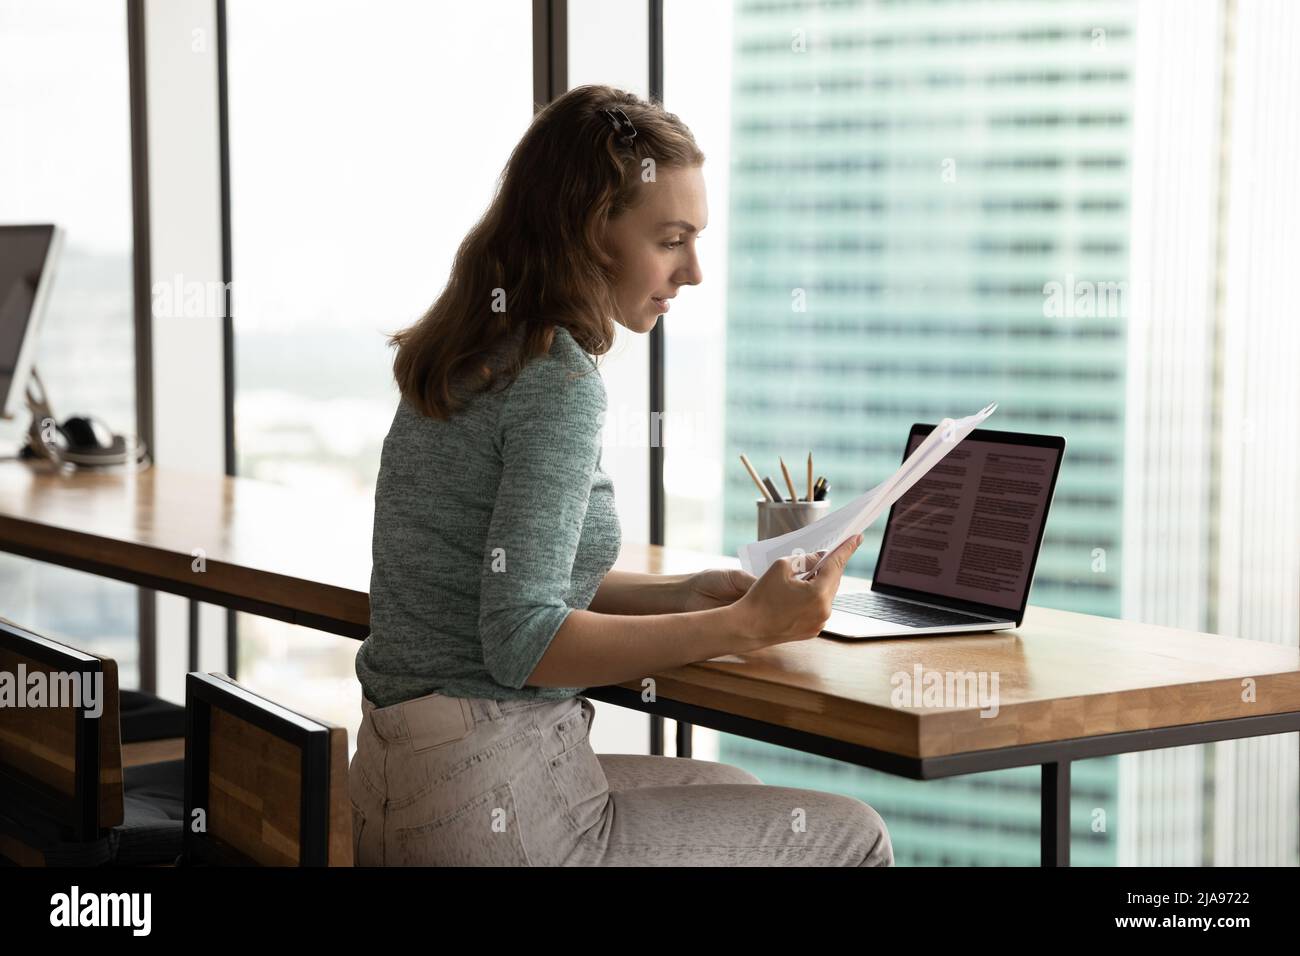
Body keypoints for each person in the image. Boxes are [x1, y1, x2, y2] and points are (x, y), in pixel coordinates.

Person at [349, 84, 893, 867]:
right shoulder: (556, 381)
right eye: (671, 240)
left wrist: (681, 595)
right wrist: (748, 625)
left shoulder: (471, 350)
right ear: (590, 231)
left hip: (399, 783)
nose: (694, 271)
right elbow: (523, 642)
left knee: (733, 784)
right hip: (493, 798)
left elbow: (507, 577)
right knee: (854, 835)